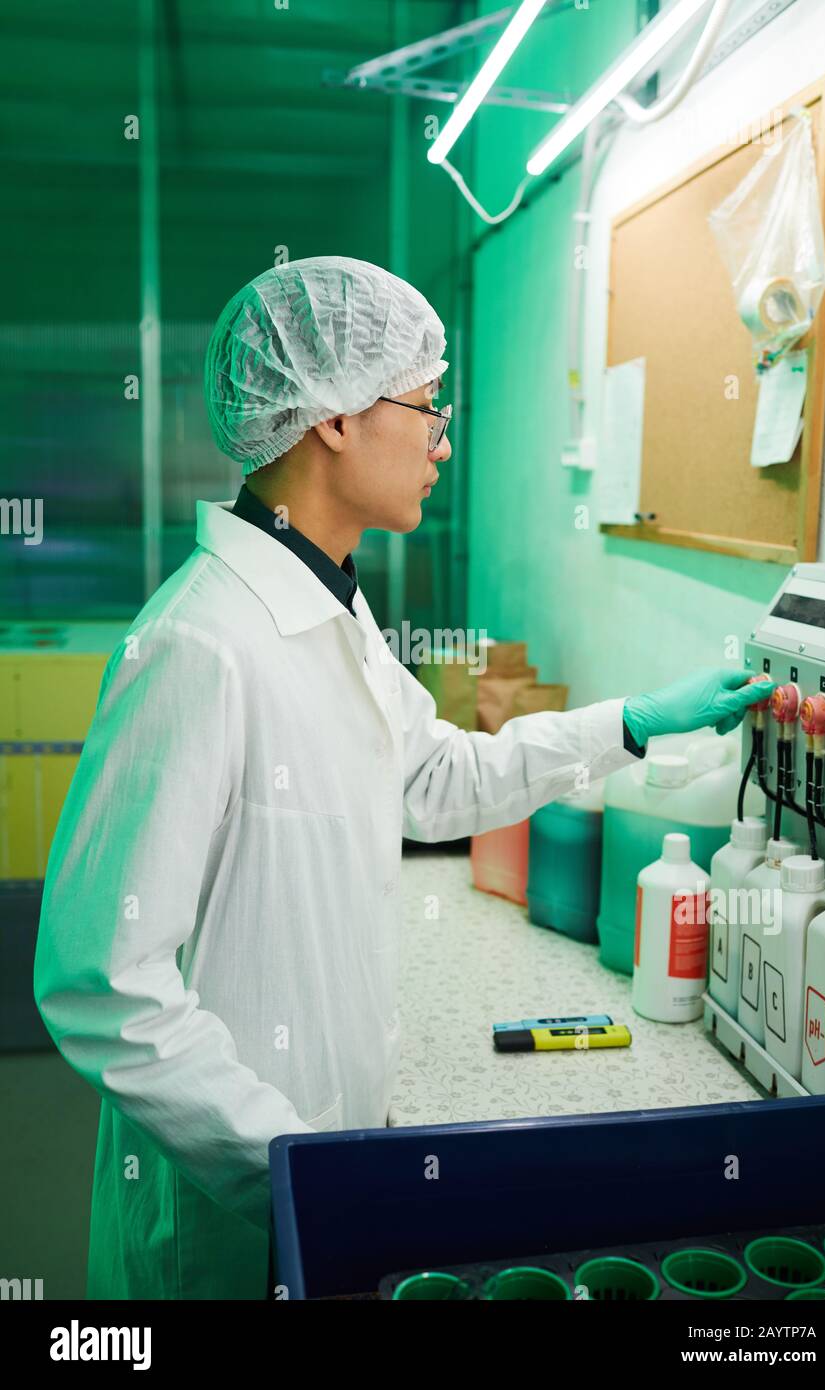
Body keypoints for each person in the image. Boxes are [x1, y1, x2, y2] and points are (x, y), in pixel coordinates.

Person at [33, 256, 774, 1300]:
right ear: (331, 417)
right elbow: (101, 982)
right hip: (230, 1219)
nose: (441, 437)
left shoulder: (332, 606)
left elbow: (427, 776)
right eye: (423, 404)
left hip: (334, 1152)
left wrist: (630, 726)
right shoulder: (200, 647)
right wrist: (293, 1170)